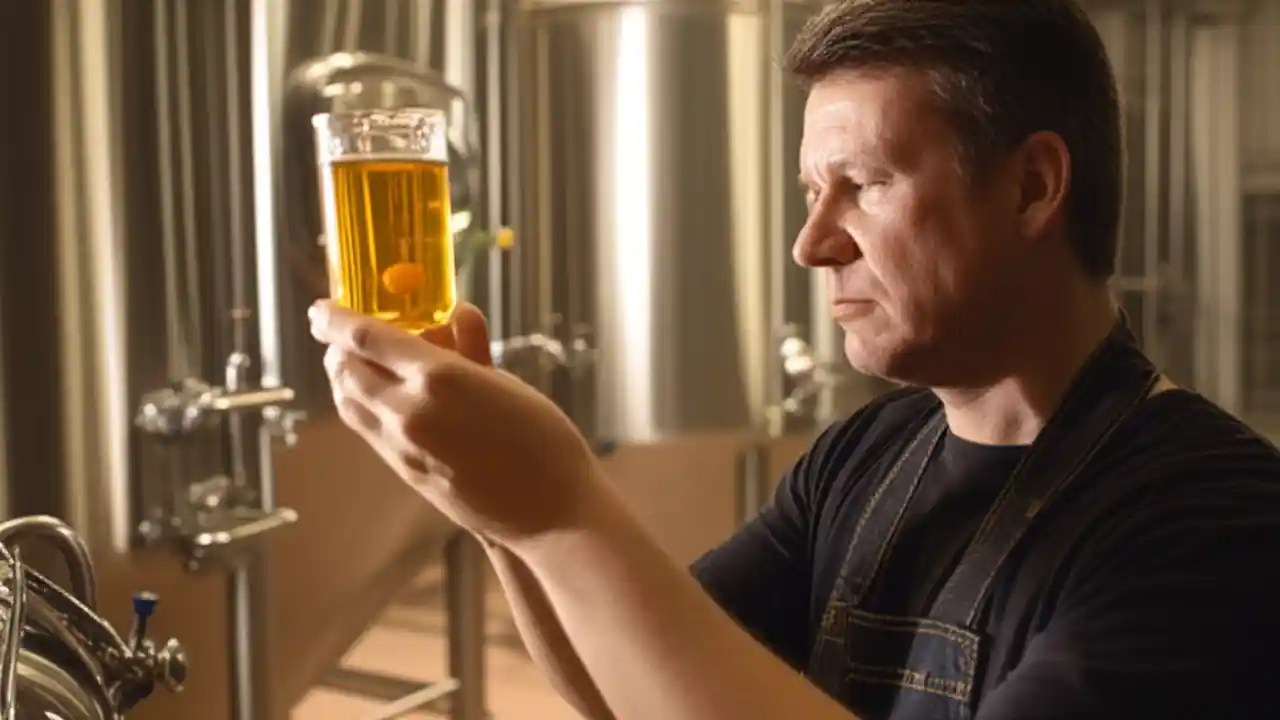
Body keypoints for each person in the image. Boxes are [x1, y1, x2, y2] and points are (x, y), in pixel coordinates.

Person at [308, 0, 1280, 717]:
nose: (810, 245)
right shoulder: (862, 457)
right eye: (811, 192)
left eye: (858, 185)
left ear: (1030, 187)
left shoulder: (1210, 522)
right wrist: (498, 514)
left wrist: (565, 507)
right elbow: (628, 696)